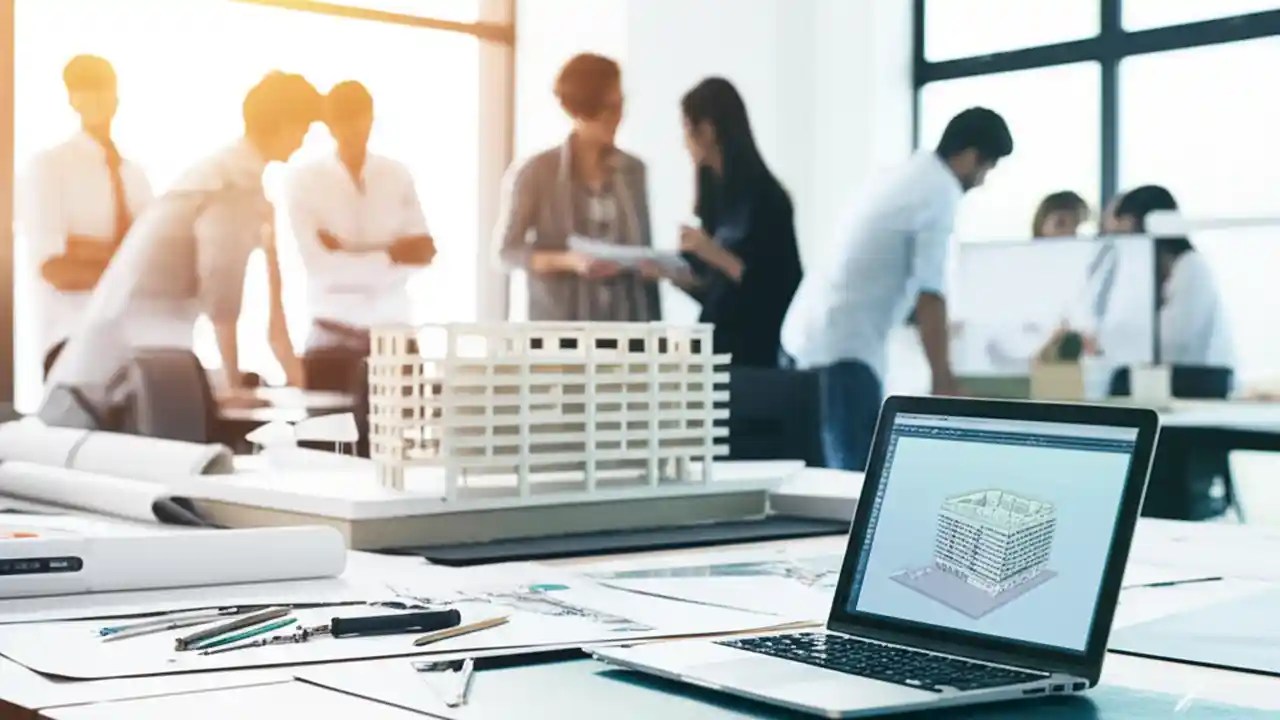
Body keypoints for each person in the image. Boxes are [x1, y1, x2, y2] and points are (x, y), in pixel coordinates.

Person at [42, 71, 321, 421]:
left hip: (119, 362)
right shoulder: (232, 183)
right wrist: (232, 386)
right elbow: (222, 287)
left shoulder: (224, 174)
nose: (304, 138)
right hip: (106, 380)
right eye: (304, 126)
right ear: (283, 122)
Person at [780, 107, 1013, 471]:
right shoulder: (940, 192)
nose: (981, 182)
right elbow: (930, 294)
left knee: (826, 480)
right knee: (855, 486)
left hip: (806, 339)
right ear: (971, 156)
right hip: (845, 350)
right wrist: (943, 381)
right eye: (987, 168)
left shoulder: (904, 175)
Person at [286, 81, 435, 392]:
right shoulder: (305, 182)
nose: (355, 130)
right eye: (345, 122)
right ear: (330, 126)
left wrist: (347, 251)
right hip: (331, 336)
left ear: (371, 118)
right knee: (325, 439)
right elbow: (320, 267)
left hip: (395, 338)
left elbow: (424, 251)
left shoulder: (397, 174)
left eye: (361, 120)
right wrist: (391, 254)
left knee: (409, 436)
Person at [493, 53, 660, 322]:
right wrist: (570, 261)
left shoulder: (633, 170)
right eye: (606, 109)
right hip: (561, 330)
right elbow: (507, 253)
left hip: (628, 328)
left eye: (619, 105)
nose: (616, 117)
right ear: (580, 110)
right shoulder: (536, 172)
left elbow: (641, 245)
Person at [23, 55, 153, 378]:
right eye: (83, 90)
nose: (94, 99)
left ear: (117, 97)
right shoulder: (49, 168)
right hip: (71, 343)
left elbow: (152, 264)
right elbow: (56, 269)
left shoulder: (136, 177)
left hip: (133, 345)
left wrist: (86, 250)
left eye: (101, 88)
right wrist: (125, 259)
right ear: (71, 99)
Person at [667, 77, 801, 366]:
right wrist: (679, 277)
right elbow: (721, 294)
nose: (684, 143)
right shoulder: (717, 199)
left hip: (753, 358)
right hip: (712, 353)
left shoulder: (768, 200)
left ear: (708, 131)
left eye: (687, 130)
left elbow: (778, 286)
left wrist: (712, 253)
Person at [1109, 185, 1233, 368]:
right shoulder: (1148, 276)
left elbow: (1174, 345)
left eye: (1126, 232)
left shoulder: (1192, 269)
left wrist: (1116, 341)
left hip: (1199, 385)